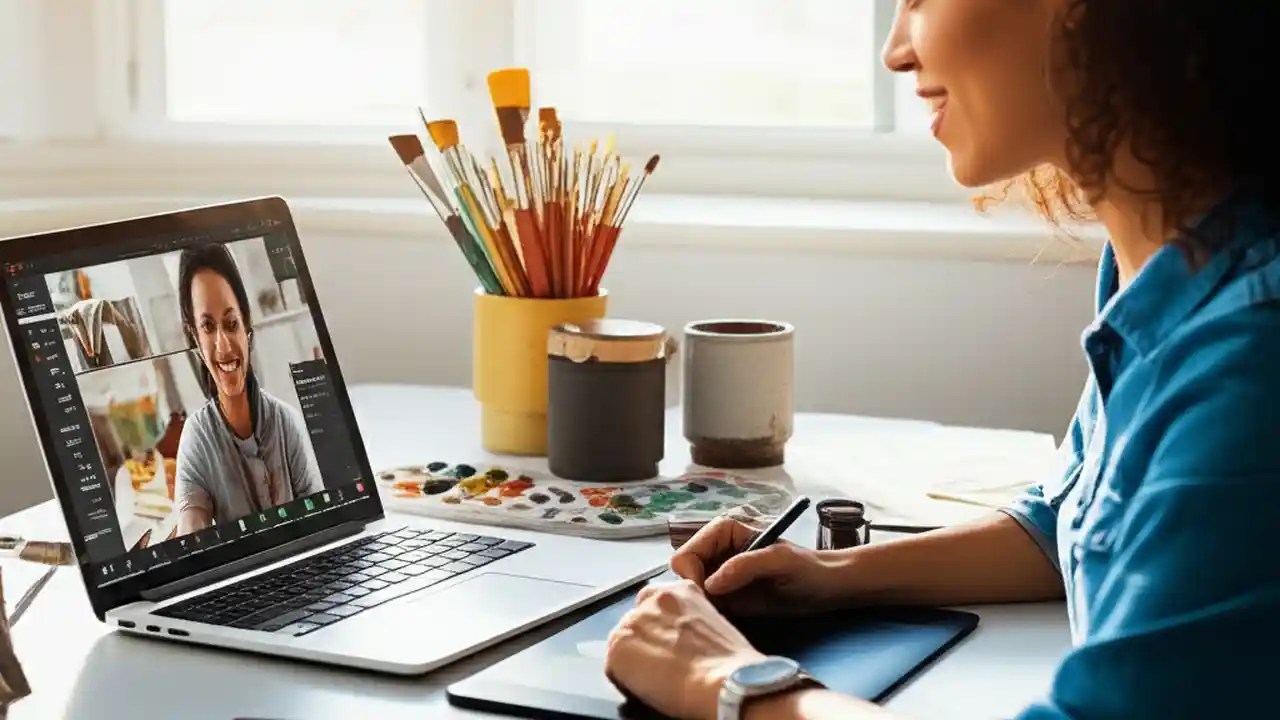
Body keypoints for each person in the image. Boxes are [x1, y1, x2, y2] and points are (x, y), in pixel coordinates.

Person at [603, 2, 1280, 718]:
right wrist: (827, 574)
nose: (896, 51)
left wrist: (732, 684)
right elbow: (1068, 524)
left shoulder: (1250, 364)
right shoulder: (1169, 266)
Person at [174, 243, 323, 534]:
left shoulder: (286, 422)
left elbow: (320, 521)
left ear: (247, 328)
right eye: (207, 327)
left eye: (231, 324)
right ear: (195, 339)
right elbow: (192, 538)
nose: (223, 345)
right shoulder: (196, 440)